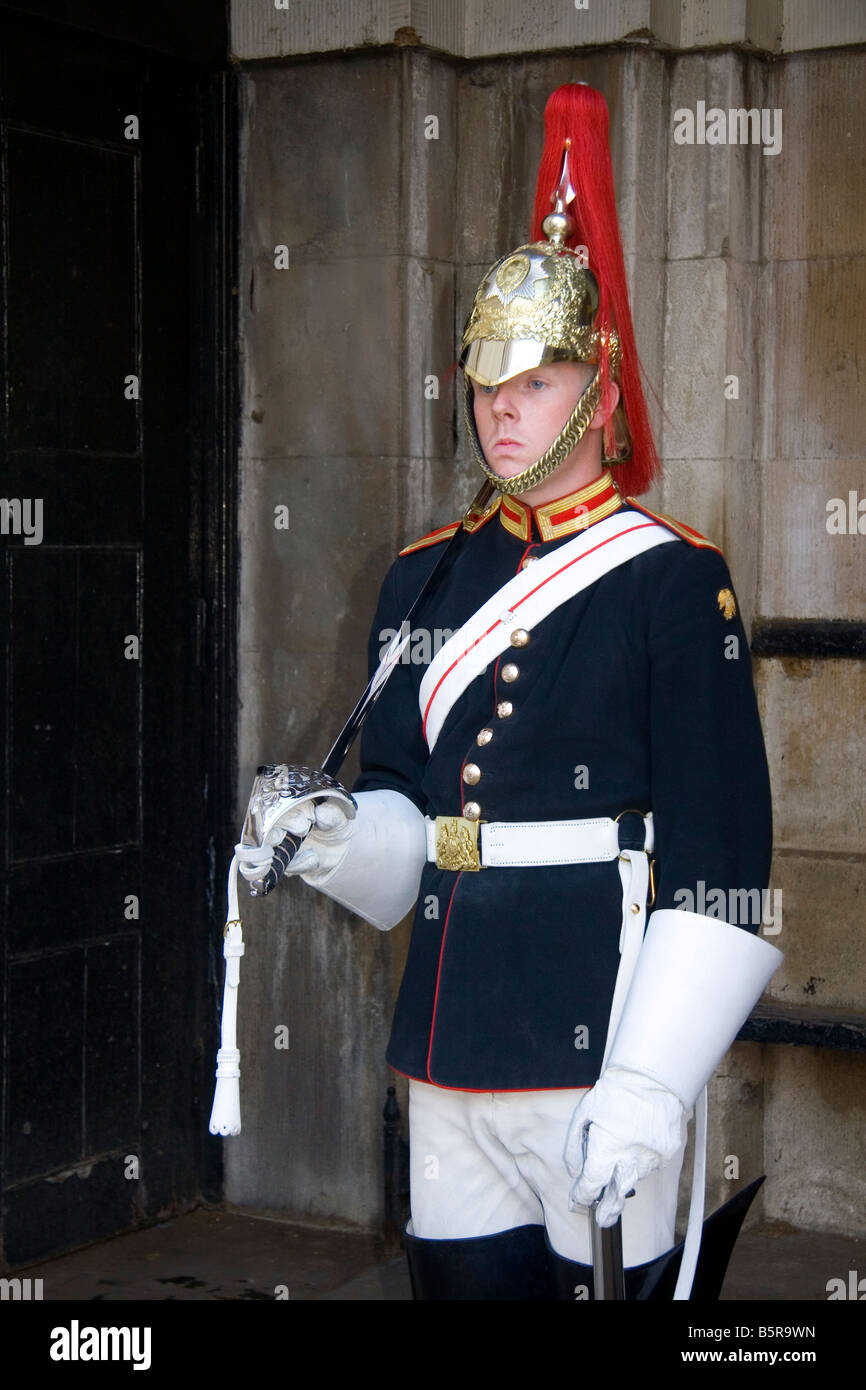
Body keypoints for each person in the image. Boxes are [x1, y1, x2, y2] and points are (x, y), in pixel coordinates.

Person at [237, 83, 781, 1300]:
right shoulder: (423, 576)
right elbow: (410, 820)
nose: (498, 403)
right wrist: (332, 838)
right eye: (484, 376)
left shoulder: (671, 581)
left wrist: (650, 1082)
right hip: (444, 1037)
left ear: (594, 388)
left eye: (530, 378)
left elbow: (721, 858)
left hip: (599, 1032)